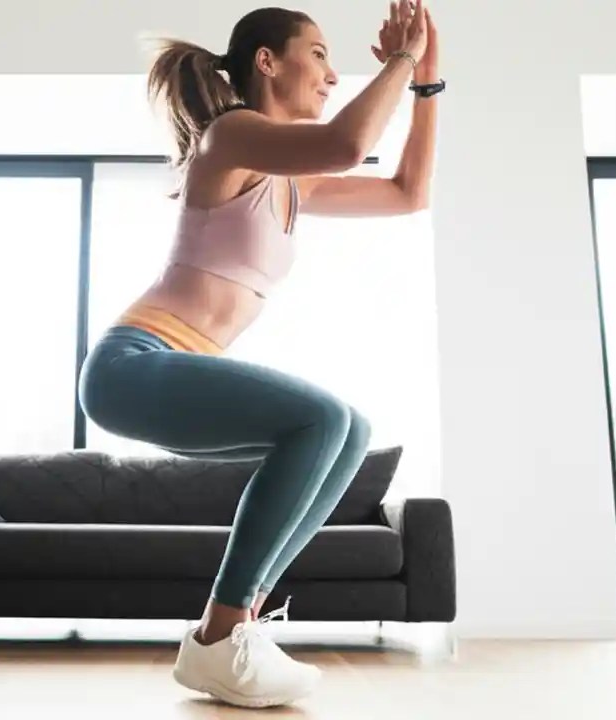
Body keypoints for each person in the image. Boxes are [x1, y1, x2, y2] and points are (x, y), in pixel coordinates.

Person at [77, 0, 440, 709]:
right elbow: (346, 143)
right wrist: (400, 59)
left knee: (349, 431)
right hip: (134, 364)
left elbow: (408, 193)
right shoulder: (230, 136)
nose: (332, 74)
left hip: (169, 367)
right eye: (320, 54)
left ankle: (236, 627)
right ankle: (220, 632)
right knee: (322, 418)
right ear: (267, 62)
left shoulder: (287, 182)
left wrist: (426, 82)